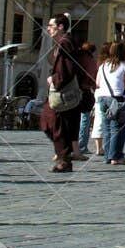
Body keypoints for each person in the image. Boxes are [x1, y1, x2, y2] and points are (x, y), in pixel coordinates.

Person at [41, 14, 82, 173]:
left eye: (51, 26)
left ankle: (64, 160)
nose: (48, 29)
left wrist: (54, 79)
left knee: (54, 124)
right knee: (50, 123)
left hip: (63, 92)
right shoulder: (63, 43)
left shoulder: (65, 44)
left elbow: (67, 69)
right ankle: (64, 157)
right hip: (62, 91)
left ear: (61, 27)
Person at [96, 41, 125, 165]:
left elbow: (97, 83)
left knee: (106, 128)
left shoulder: (103, 65)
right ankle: (115, 156)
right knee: (117, 128)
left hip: (103, 98)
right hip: (117, 99)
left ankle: (107, 156)